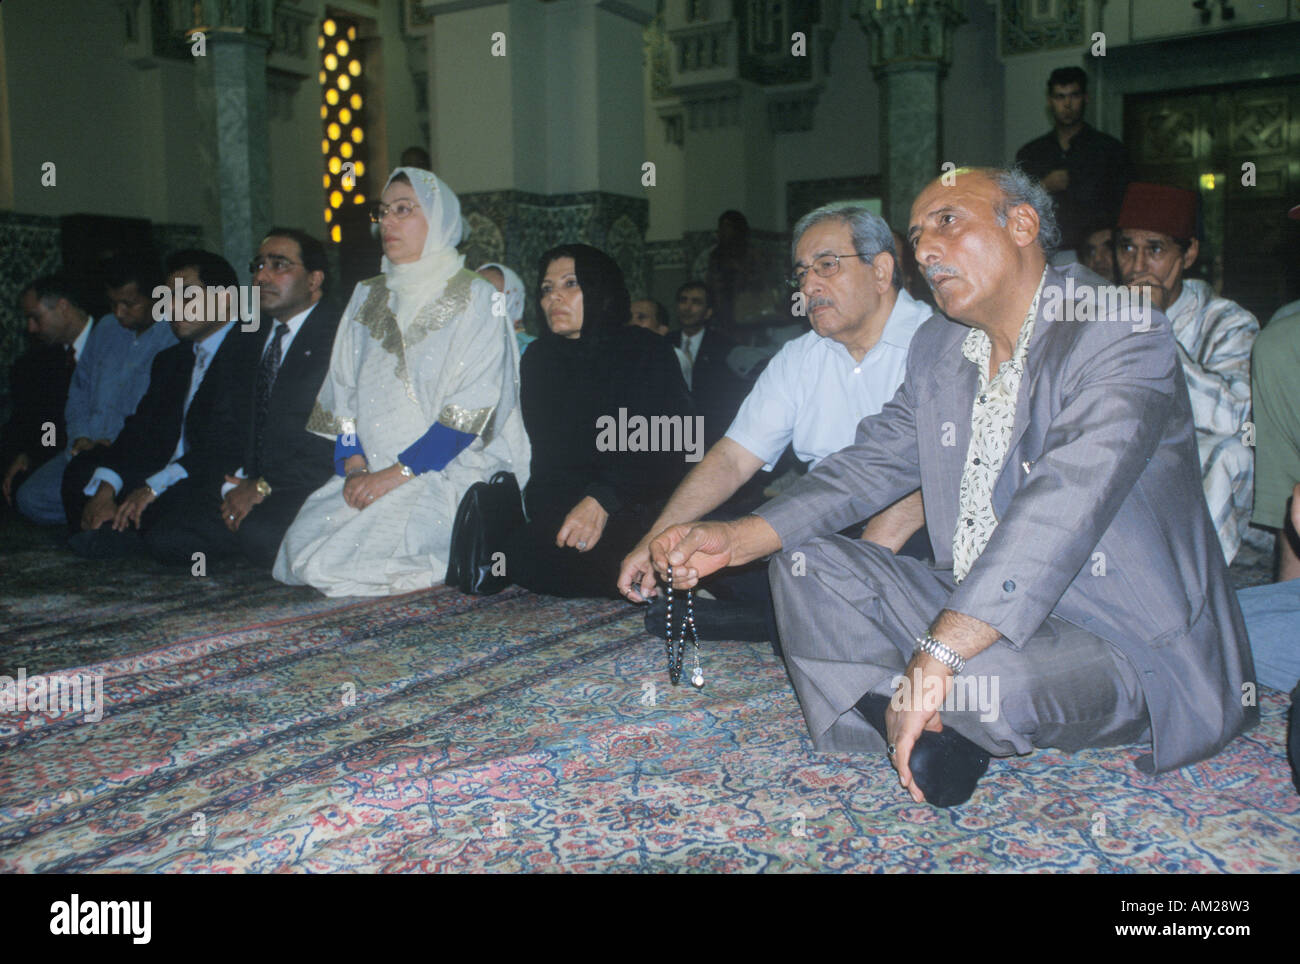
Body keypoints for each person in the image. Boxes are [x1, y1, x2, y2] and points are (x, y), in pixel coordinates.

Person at [643, 167, 1257, 808]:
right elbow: (867, 464)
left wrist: (936, 653)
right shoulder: (940, 345)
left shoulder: (1117, 328)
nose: (925, 249)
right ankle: (924, 722)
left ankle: (920, 705)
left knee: (972, 682)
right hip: (966, 591)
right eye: (915, 236)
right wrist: (735, 538)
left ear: (1021, 225)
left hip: (1109, 626)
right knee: (803, 563)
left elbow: (1064, 502)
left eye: (948, 222)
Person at [619, 203, 931, 636]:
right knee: (711, 551)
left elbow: (926, 479)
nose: (810, 285)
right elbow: (731, 458)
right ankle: (797, 611)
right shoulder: (799, 357)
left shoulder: (938, 344)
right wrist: (656, 537)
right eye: (802, 273)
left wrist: (861, 564)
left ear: (881, 271)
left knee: (842, 579)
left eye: (826, 265)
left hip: (910, 526)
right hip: (817, 520)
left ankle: (764, 618)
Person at [274, 168, 529, 596]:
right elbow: (344, 396)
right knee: (297, 552)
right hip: (369, 470)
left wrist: (397, 473)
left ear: (440, 219)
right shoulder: (367, 294)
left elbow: (473, 408)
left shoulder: (478, 297)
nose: (387, 222)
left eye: (404, 210)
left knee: (336, 563)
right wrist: (353, 466)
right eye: (384, 211)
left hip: (441, 471)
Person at [501, 244, 693, 599]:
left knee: (632, 552)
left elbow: (673, 443)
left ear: (600, 289)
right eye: (546, 289)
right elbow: (547, 458)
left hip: (636, 501)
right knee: (522, 553)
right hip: (568, 514)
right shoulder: (539, 359)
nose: (554, 297)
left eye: (570, 284)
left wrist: (603, 499)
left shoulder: (644, 351)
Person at [143, 229, 343, 569]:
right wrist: (234, 482)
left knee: (260, 534)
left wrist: (263, 486)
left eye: (279, 265)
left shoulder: (338, 335)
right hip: (245, 477)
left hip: (309, 480)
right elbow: (219, 422)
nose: (262, 276)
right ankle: (249, 536)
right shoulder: (247, 336)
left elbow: (333, 435)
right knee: (163, 526)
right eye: (258, 265)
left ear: (314, 279)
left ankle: (259, 540)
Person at [63, 251, 259, 557]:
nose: (171, 308)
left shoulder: (251, 350)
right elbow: (139, 428)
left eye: (185, 297)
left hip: (212, 472)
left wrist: (153, 487)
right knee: (81, 472)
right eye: (167, 298)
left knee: (171, 530)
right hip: (163, 467)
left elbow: (226, 442)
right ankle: (120, 527)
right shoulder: (172, 358)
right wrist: (106, 489)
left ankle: (124, 532)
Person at [1116, 181, 1259, 563]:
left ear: (1189, 253)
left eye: (1156, 249)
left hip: (1200, 463)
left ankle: (1197, 588)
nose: (1138, 266)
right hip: (1127, 456)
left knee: (1231, 454)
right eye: (1127, 247)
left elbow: (1234, 418)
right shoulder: (1100, 312)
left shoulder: (1228, 321)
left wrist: (1156, 329)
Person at [14, 256, 175, 526]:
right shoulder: (106, 328)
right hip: (85, 451)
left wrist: (113, 445)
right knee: (30, 498)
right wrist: (81, 437)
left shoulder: (172, 336)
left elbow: (158, 415)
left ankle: (102, 511)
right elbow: (78, 393)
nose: (119, 312)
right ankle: (100, 514)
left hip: (130, 456)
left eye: (129, 304)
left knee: (97, 492)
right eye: (113, 303)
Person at [1015, 66, 1133, 253]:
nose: (1067, 105)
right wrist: (1044, 186)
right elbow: (1015, 205)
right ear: (1050, 101)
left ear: (1086, 98)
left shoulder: (1109, 150)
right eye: (1060, 97)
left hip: (1098, 252)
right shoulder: (1031, 153)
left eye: (1074, 96)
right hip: (1045, 250)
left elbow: (1126, 206)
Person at [3, 276, 92, 512]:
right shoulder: (40, 361)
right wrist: (31, 453)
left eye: (36, 317)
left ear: (63, 307)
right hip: (59, 449)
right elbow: (46, 421)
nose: (31, 328)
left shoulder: (112, 339)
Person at [669, 281, 749, 446]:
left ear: (708, 312)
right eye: (683, 300)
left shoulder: (724, 347)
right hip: (673, 433)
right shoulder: (664, 344)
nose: (687, 308)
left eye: (696, 302)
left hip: (711, 435)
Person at [476, 262, 535, 356]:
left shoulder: (529, 349)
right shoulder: (459, 337)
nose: (479, 300)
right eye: (476, 290)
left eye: (492, 296)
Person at [630, 298, 691, 383]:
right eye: (629, 317)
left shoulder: (675, 357)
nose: (632, 323)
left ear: (661, 330)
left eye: (641, 317)